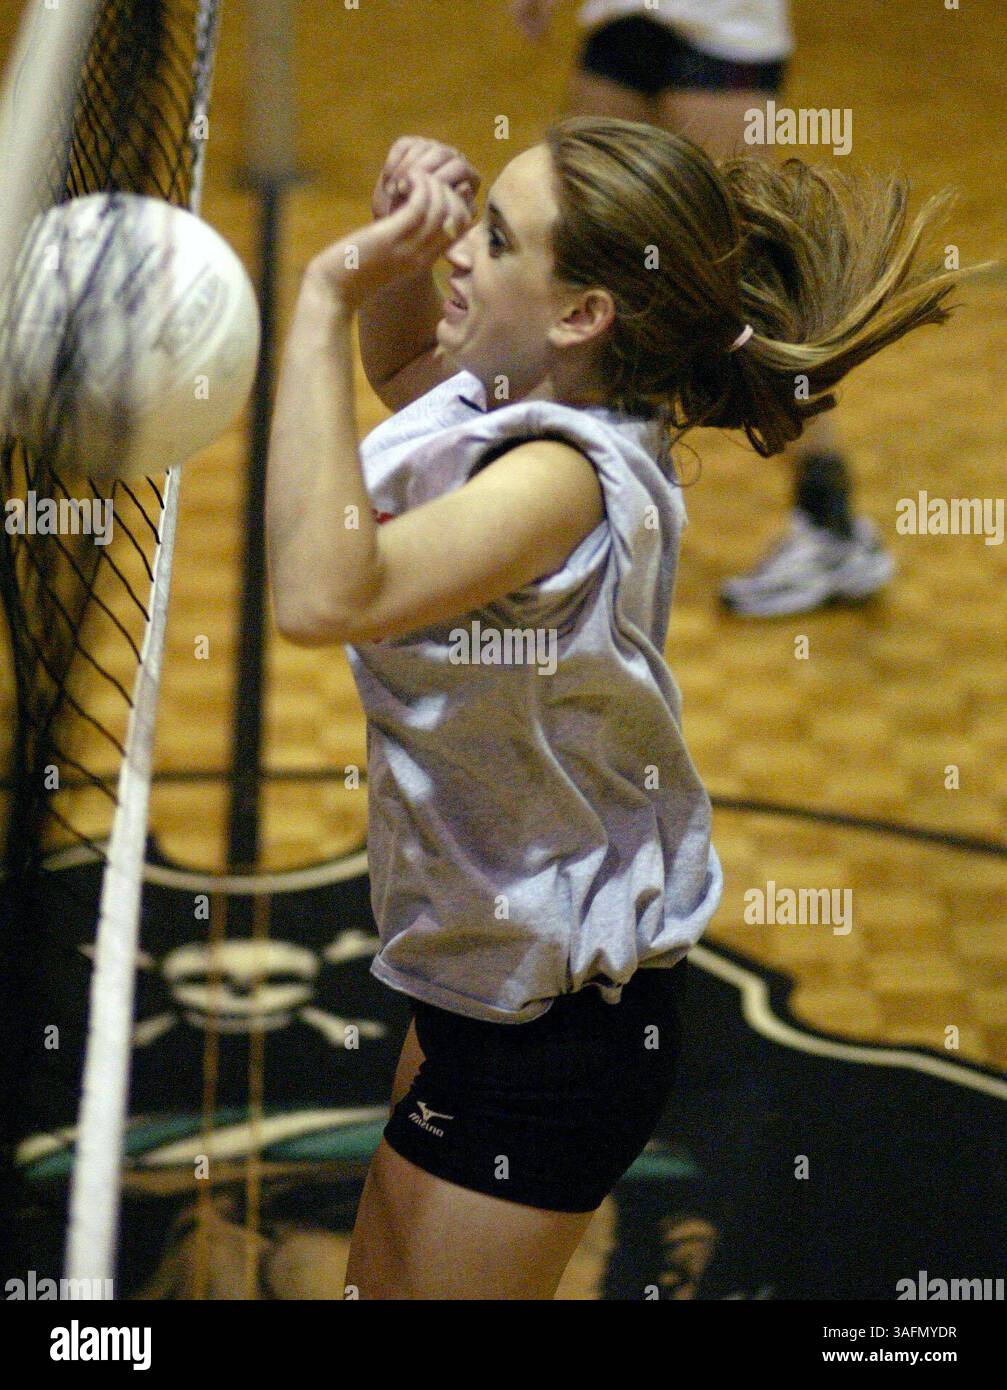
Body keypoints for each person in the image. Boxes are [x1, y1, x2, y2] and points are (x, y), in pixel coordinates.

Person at [266, 120, 964, 1298]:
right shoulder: (517, 403)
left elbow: (323, 591)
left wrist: (322, 294)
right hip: (478, 976)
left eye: (491, 238)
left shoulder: (561, 477)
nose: (460, 254)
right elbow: (402, 385)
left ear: (583, 314)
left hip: (556, 1034)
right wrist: (393, 265)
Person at [511, 0, 895, 616]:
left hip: (723, 31)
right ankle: (565, 512)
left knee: (735, 287)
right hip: (625, 22)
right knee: (581, 242)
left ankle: (831, 522)